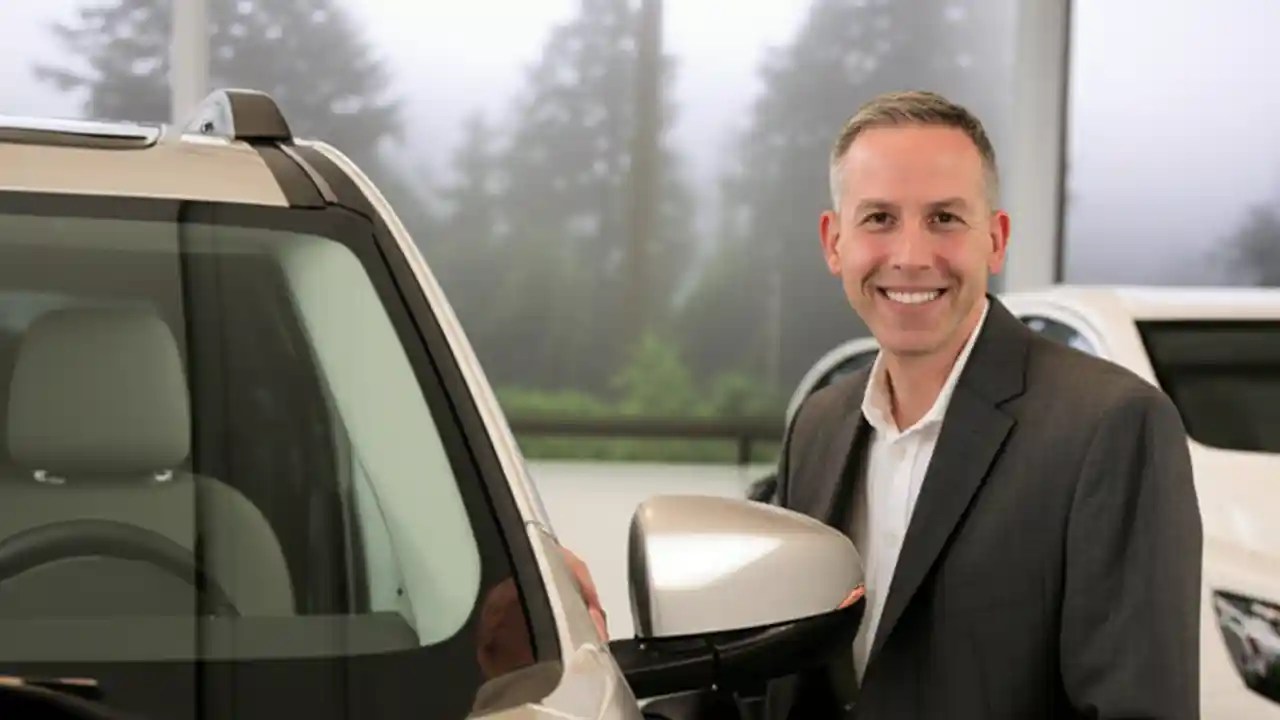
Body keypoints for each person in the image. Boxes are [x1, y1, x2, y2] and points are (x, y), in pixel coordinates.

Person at [760, 90, 1203, 719]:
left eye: (944, 218)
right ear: (835, 243)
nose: (911, 256)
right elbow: (785, 682)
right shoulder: (818, 426)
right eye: (879, 218)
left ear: (995, 240)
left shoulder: (1112, 427)